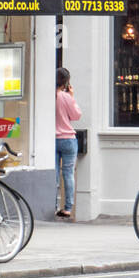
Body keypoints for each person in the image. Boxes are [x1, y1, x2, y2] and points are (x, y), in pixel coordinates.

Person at [55, 67, 82, 219]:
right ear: (66, 82)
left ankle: (53, 204)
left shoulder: (50, 96)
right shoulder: (66, 97)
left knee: (54, 174)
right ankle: (67, 208)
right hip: (68, 139)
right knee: (68, 174)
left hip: (52, 139)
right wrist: (72, 97)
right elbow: (76, 115)